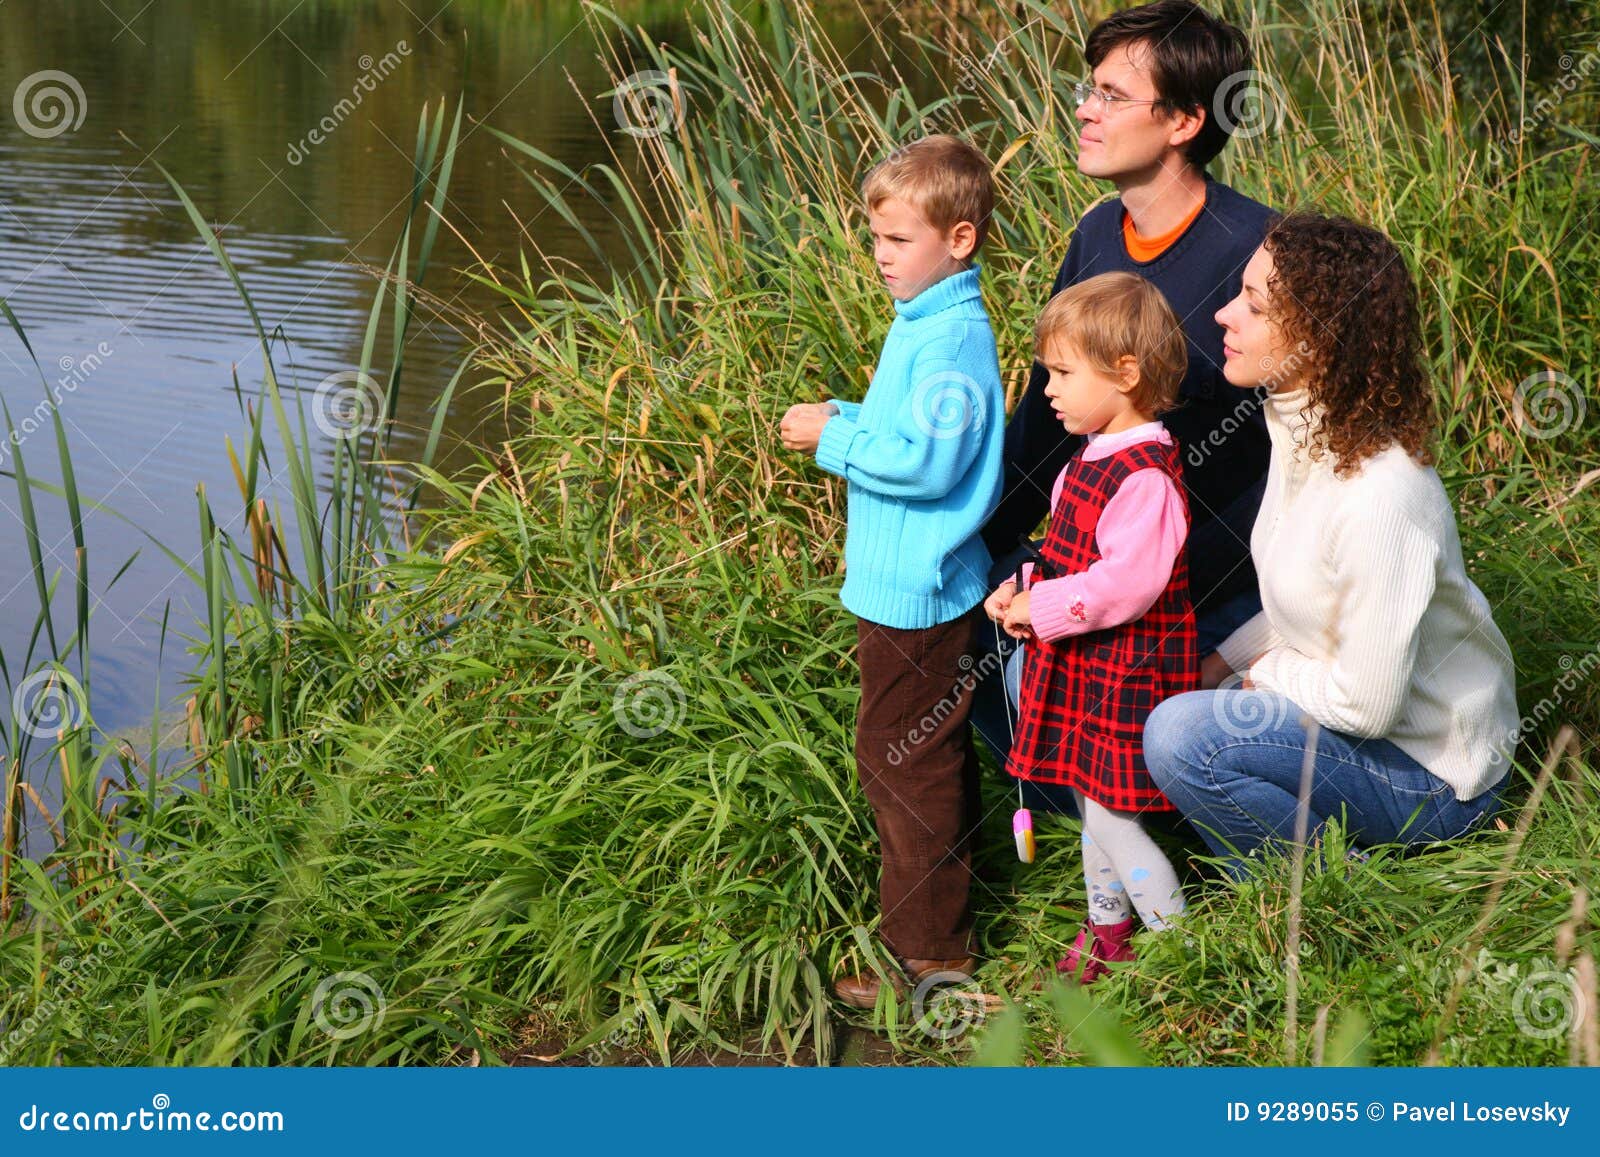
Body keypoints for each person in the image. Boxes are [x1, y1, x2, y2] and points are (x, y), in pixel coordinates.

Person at [1143, 212, 1519, 875]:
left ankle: (1321, 893)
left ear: (1316, 341)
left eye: (1254, 306)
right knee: (1165, 682)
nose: (1225, 315)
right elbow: (1309, 605)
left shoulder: (1382, 493)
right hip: (1370, 725)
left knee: (1182, 735)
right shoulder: (1307, 439)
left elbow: (1367, 704)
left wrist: (1248, 680)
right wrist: (1213, 664)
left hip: (1432, 773)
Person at [973, 1, 1278, 800]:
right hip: (1100, 562)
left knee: (1118, 751)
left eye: (1112, 95)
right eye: (1089, 89)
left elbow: (1312, 451)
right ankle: (1069, 806)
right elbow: (1047, 415)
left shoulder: (1260, 254)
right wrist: (982, 545)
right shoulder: (1098, 236)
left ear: (1182, 121)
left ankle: (1140, 809)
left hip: (1212, 587)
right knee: (953, 610)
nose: (1083, 109)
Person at [778, 134, 1005, 1008]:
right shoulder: (926, 325)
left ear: (959, 240)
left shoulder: (950, 341)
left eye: (899, 241)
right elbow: (911, 429)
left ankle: (929, 957)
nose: (880, 257)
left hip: (920, 595)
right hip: (903, 589)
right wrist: (852, 411)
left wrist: (832, 441)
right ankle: (932, 937)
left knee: (905, 764)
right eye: (875, 239)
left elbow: (928, 465)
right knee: (909, 755)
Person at [985, 271, 1199, 983]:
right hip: (1085, 667)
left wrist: (1041, 609)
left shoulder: (1145, 476)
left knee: (1112, 817)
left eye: (1063, 372)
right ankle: (1110, 930)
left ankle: (1180, 950)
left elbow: (1125, 586)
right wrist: (1024, 588)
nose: (1048, 388)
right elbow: (1070, 557)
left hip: (1124, 673)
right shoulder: (1091, 455)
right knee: (1088, 802)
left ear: (1126, 373)